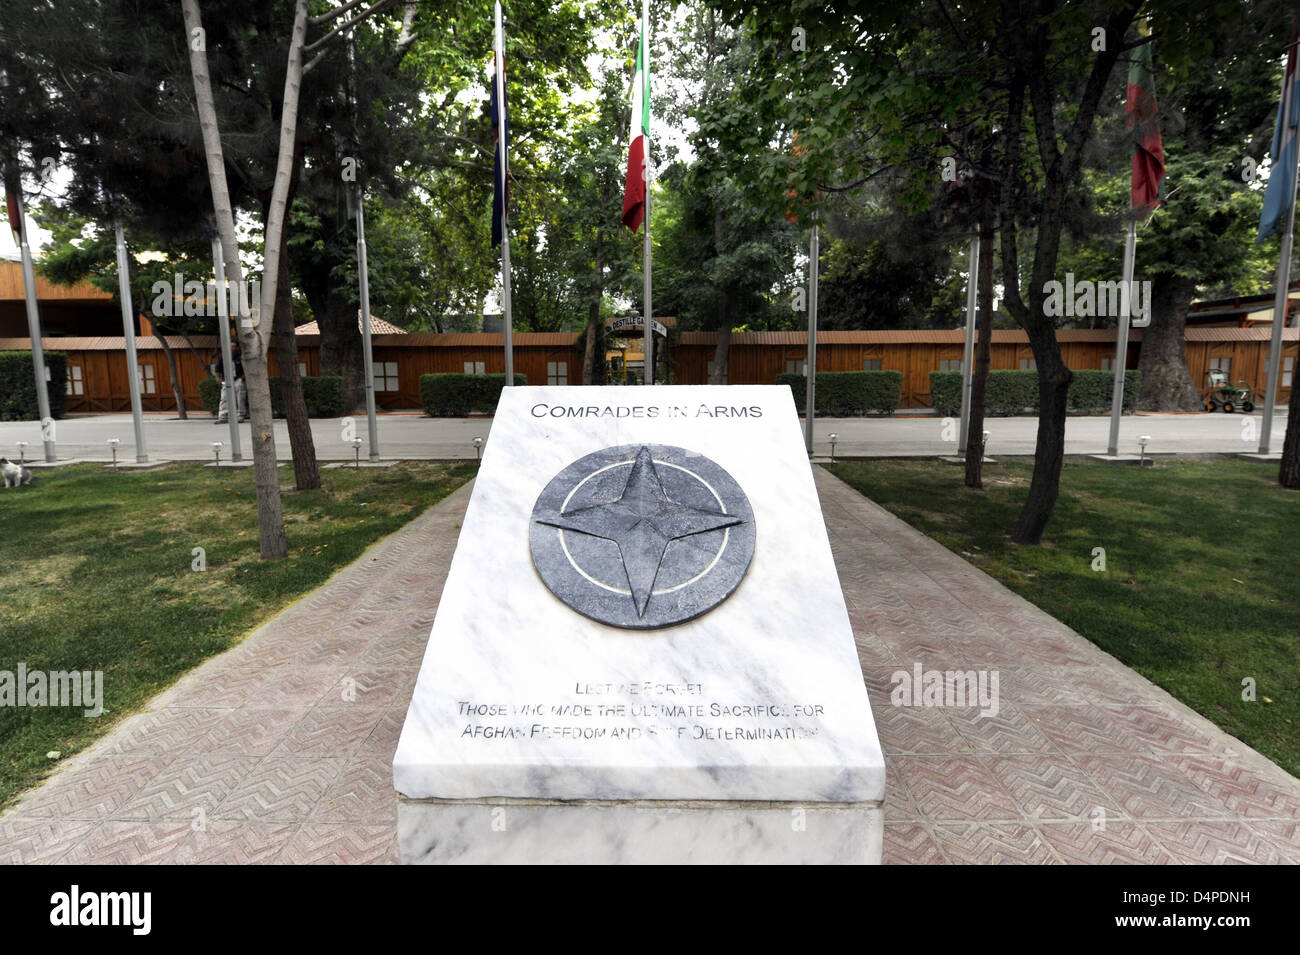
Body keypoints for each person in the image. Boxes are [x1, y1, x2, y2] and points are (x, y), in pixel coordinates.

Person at [213, 339, 248, 423]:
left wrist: (244, 376)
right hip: (227, 380)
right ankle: (223, 416)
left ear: (237, 347)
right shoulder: (223, 357)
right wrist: (218, 378)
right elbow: (218, 369)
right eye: (230, 347)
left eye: (233, 347)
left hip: (238, 379)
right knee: (224, 397)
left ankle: (240, 415)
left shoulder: (241, 357)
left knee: (240, 397)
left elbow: (247, 368)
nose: (232, 348)